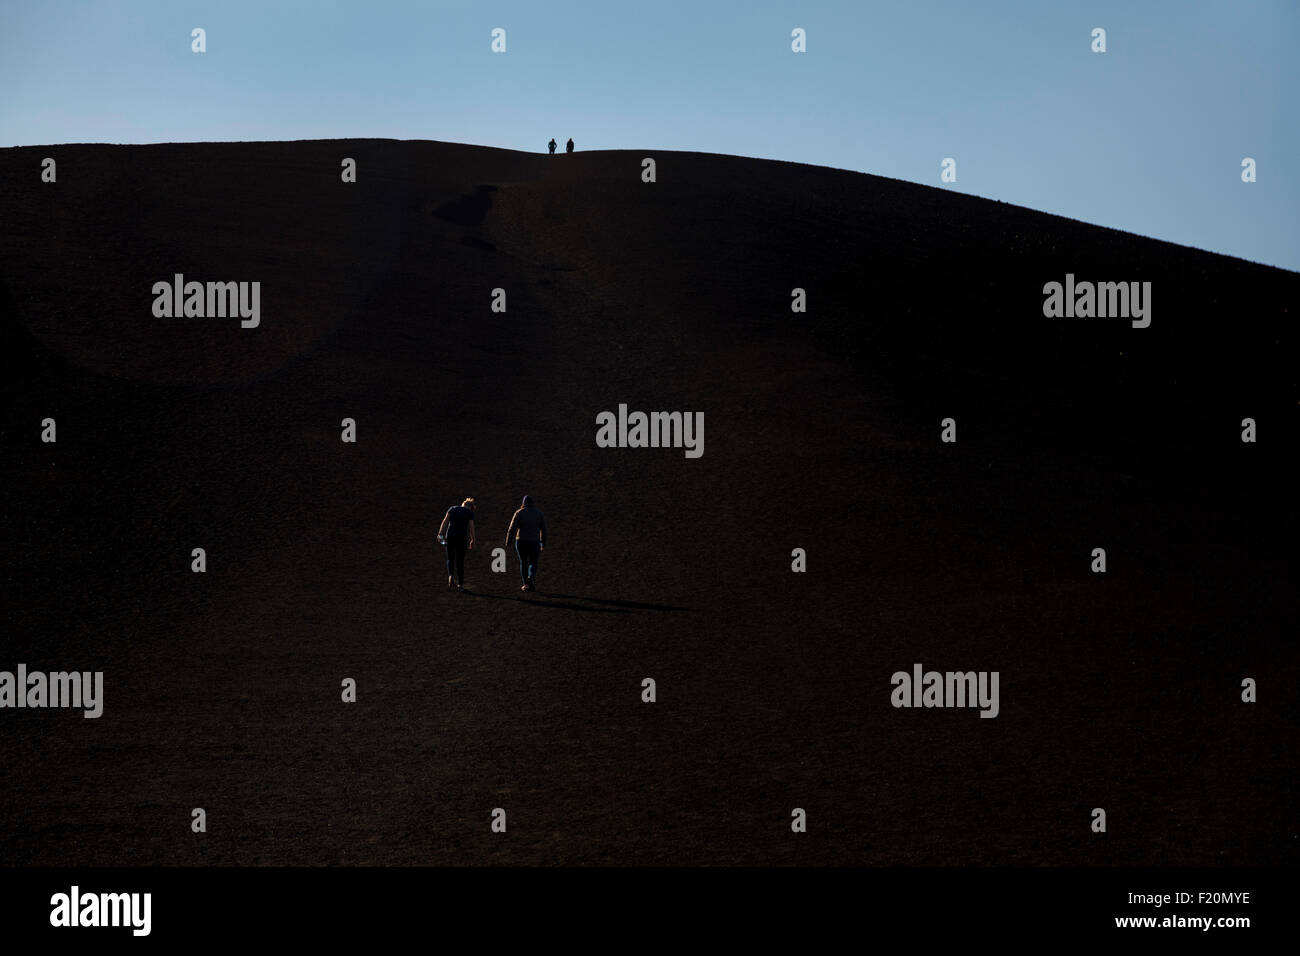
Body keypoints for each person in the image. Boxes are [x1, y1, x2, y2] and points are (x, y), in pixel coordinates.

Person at [505, 495, 546, 591]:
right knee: (533, 562)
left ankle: (526, 585)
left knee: (523, 562)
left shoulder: (519, 512)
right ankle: (531, 577)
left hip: (521, 541)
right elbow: (544, 530)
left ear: (523, 503)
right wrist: (543, 542)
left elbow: (512, 528)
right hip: (534, 542)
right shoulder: (539, 514)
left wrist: (508, 541)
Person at [437, 497, 476, 591]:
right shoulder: (469, 513)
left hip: (450, 536)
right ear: (470, 507)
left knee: (450, 558)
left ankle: (450, 575)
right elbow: (471, 527)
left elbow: (445, 522)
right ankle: (460, 585)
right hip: (461, 538)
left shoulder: (452, 509)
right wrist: (473, 540)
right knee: (460, 561)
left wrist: (440, 534)